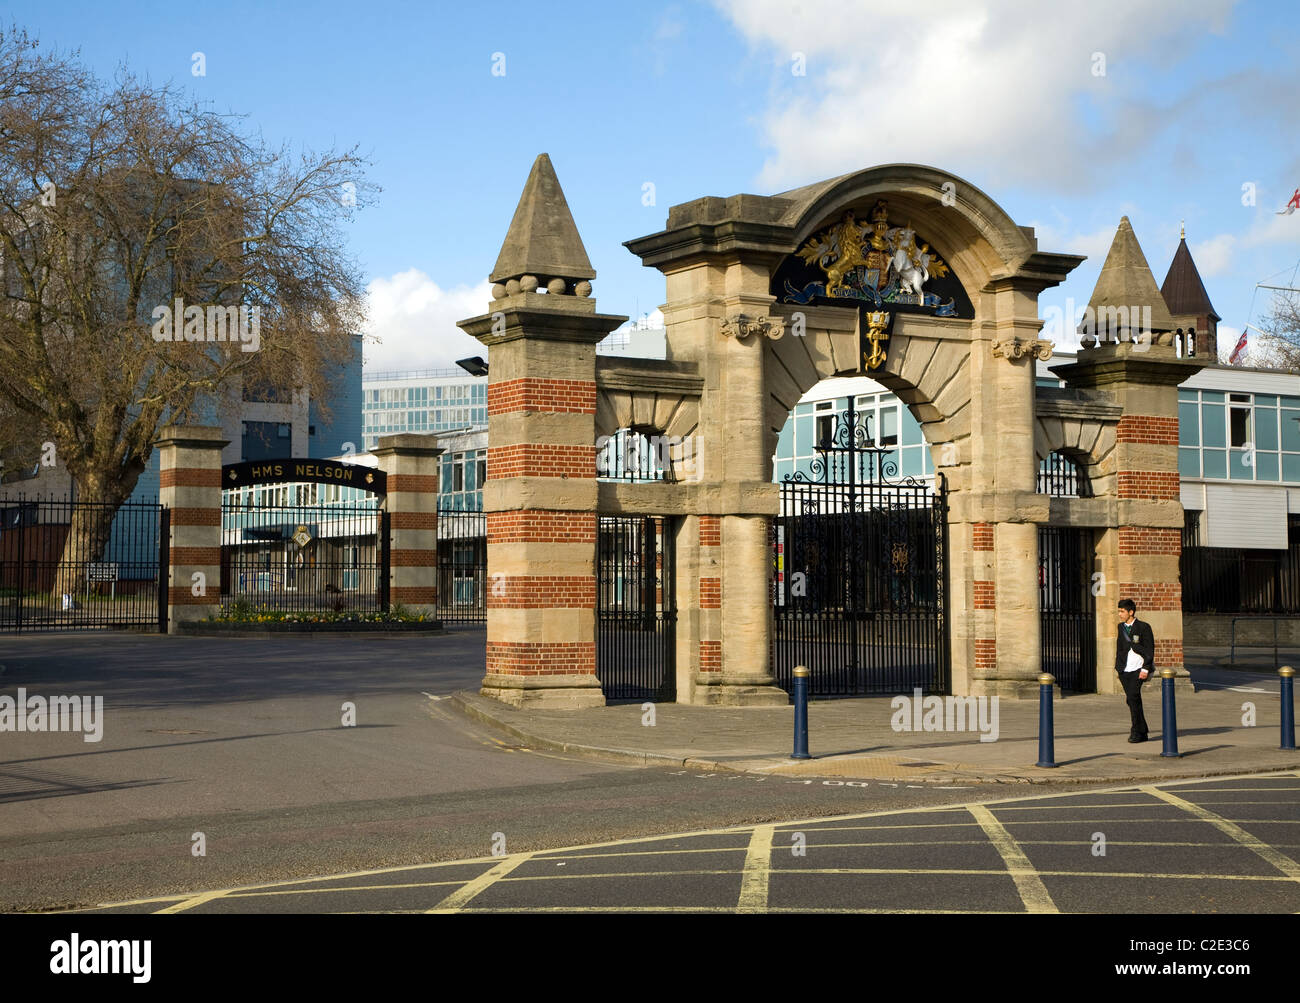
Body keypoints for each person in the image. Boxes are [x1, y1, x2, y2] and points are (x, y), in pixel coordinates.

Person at [1115, 598, 1155, 742]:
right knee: (1132, 700)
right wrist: (1118, 668)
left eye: (1122, 611)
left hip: (1139, 669)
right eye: (1119, 611)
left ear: (1131, 612)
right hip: (1124, 669)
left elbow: (1150, 650)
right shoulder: (1121, 627)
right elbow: (1119, 648)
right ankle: (1143, 730)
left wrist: (1146, 668)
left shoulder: (1144, 627)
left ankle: (1136, 732)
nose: (1119, 614)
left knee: (1133, 698)